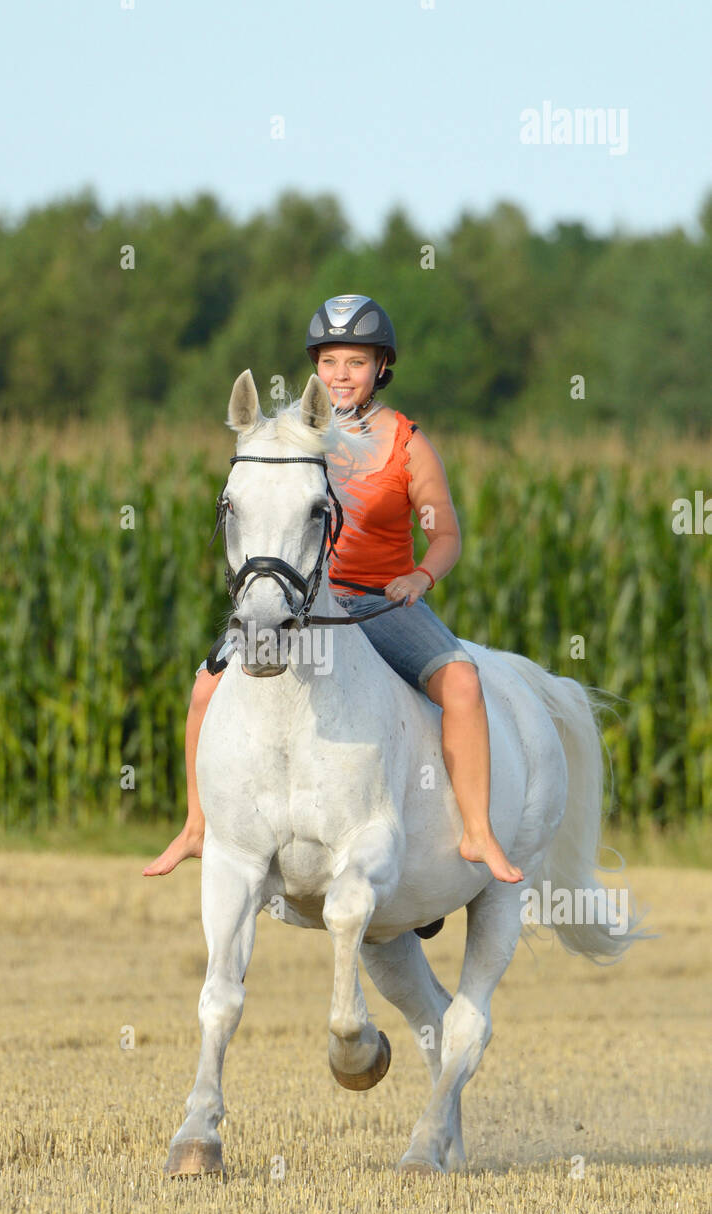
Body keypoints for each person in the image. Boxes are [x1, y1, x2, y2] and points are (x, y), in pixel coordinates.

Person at [143, 294, 523, 883]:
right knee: (202, 690)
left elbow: (445, 534)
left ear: (381, 368)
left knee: (464, 683)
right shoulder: (293, 434)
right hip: (299, 606)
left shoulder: (407, 443)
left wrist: (420, 576)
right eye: (330, 362)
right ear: (315, 368)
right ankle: (197, 826)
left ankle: (476, 832)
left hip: (377, 602)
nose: (341, 375)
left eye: (356, 362)